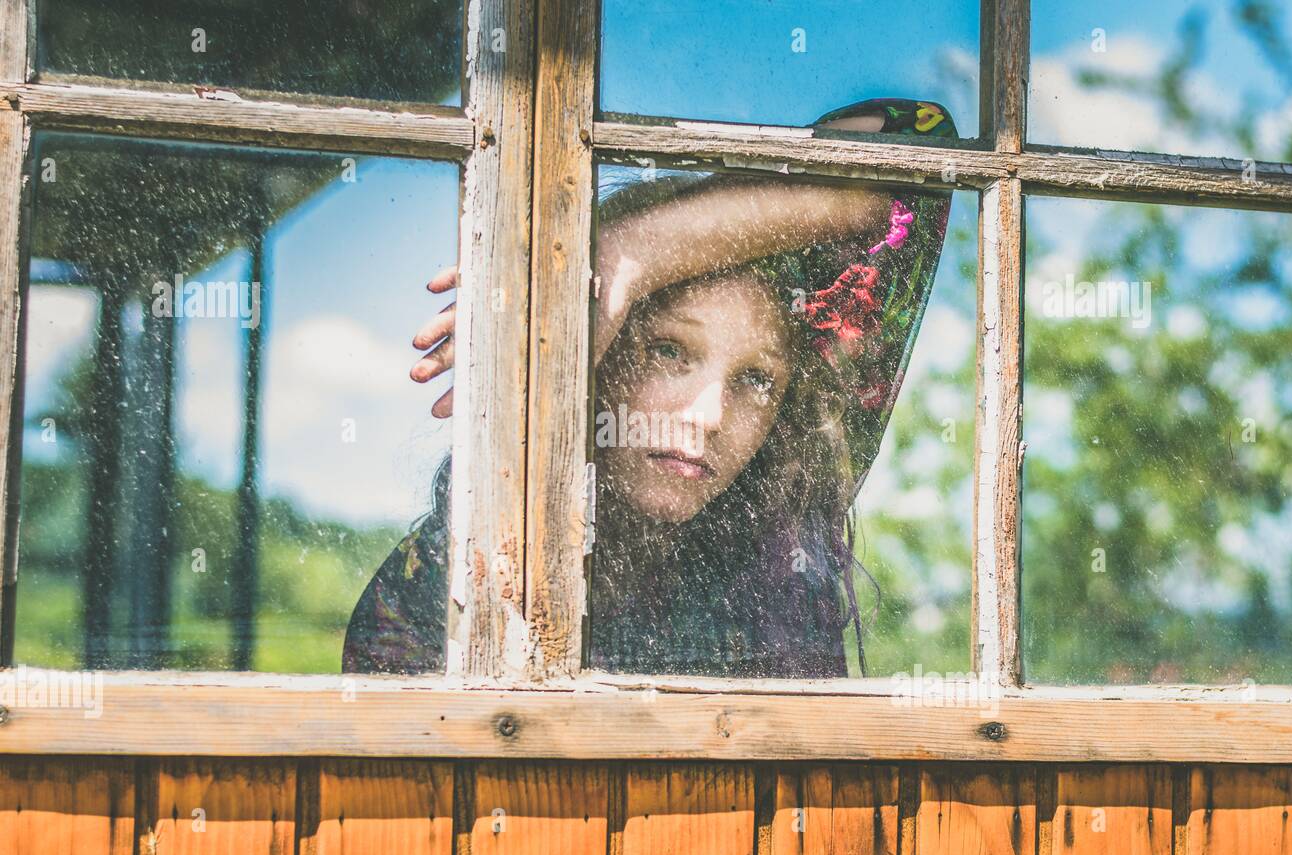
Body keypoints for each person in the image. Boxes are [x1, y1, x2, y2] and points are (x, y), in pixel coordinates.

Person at [343, 98, 956, 678]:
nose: (711, 414)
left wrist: (626, 252)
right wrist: (593, 278)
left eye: (756, 379)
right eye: (669, 351)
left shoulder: (782, 537)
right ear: (596, 350)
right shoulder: (445, 584)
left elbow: (922, 147)